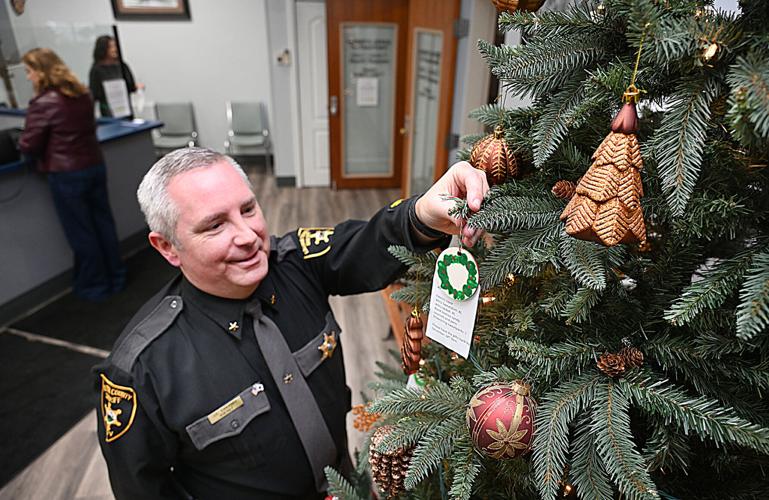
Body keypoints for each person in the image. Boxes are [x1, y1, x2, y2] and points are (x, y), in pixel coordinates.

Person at [94, 147, 488, 499]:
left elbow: (366, 243)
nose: (248, 236)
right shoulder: (141, 369)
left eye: (248, 209)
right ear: (167, 247)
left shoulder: (293, 263)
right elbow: (142, 489)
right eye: (215, 225)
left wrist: (423, 214)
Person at [19, 48, 126, 301]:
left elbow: (29, 144)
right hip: (94, 167)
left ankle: (95, 286)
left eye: (29, 71)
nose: (28, 77)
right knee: (103, 224)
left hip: (66, 174)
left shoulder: (44, 103)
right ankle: (116, 276)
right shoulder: (81, 94)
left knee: (81, 232)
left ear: (41, 72)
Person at [89, 35, 142, 117]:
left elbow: (130, 86)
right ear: (103, 49)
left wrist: (137, 88)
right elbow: (95, 93)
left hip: (126, 110)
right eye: (111, 47)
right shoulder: (96, 70)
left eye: (115, 46)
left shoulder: (123, 66)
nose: (115, 49)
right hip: (109, 113)